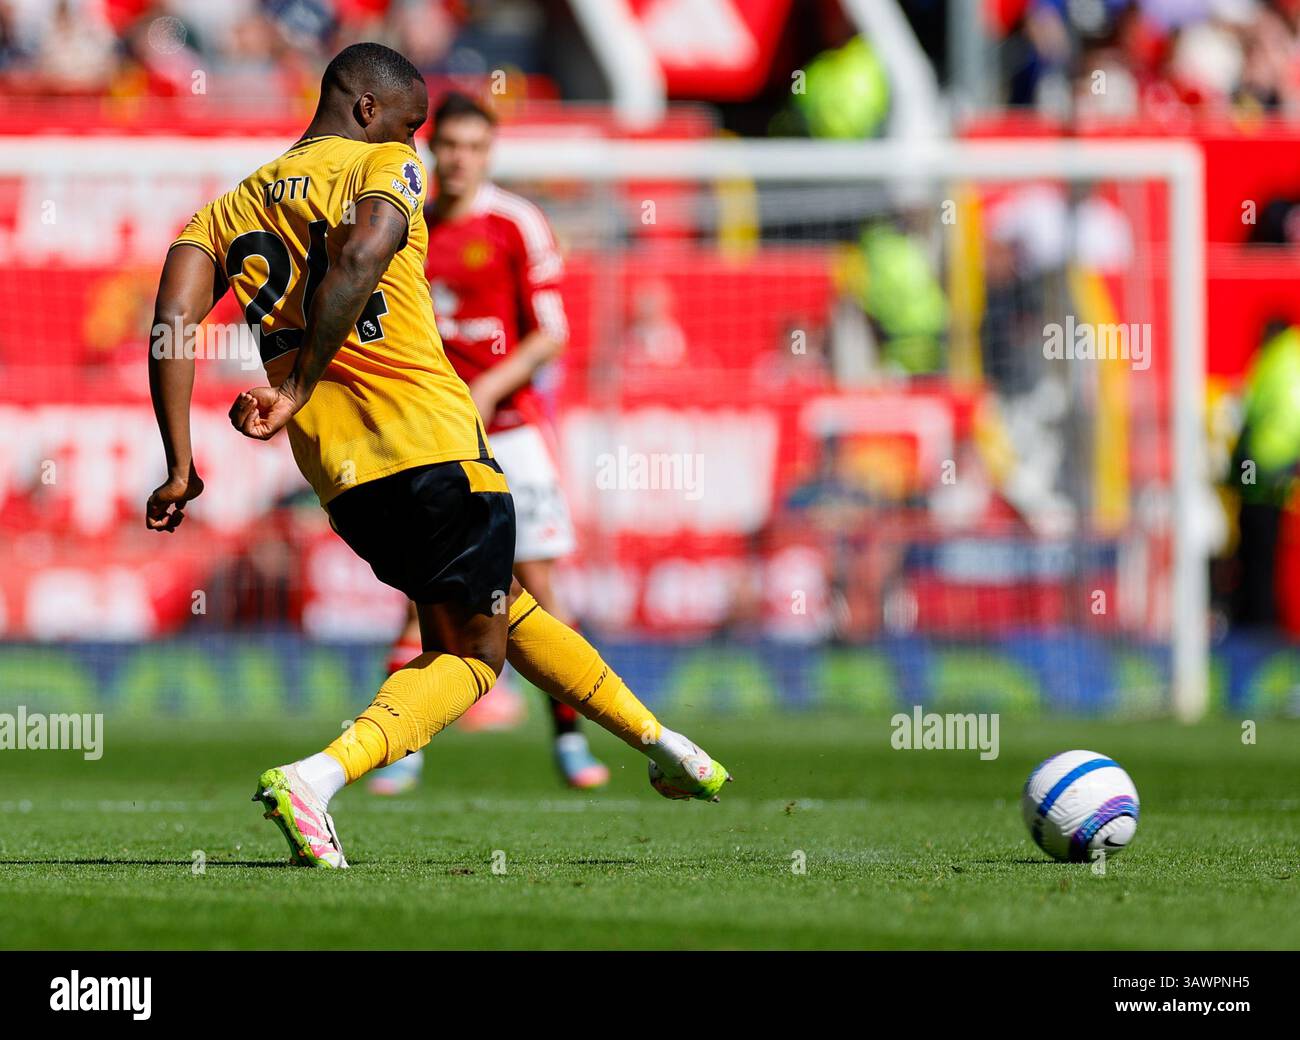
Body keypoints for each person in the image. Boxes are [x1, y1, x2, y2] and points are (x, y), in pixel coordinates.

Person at [144, 42, 730, 869]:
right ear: (367, 110)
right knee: (473, 659)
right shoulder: (384, 166)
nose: (417, 146)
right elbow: (361, 252)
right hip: (433, 446)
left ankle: (664, 746)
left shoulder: (227, 211)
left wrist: (179, 460)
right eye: (413, 127)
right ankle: (317, 778)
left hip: (346, 484)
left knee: (506, 612)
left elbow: (171, 318)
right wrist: (306, 379)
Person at [368, 91, 608, 796]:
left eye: (473, 146)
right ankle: (404, 743)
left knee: (538, 589)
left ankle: (568, 738)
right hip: (433, 438)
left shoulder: (516, 223)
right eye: (448, 146)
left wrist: (489, 388)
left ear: (489, 152)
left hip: (510, 432)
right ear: (430, 149)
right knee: (417, 591)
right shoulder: (407, 226)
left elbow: (552, 332)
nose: (458, 159)